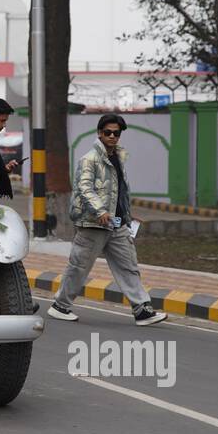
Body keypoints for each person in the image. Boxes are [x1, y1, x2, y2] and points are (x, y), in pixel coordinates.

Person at [47, 113, 167, 327]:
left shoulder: (119, 157)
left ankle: (142, 310)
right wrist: (100, 211)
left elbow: (119, 191)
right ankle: (60, 306)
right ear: (99, 133)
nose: (112, 136)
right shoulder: (89, 160)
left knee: (128, 266)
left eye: (116, 133)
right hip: (93, 223)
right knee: (79, 267)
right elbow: (84, 188)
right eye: (108, 132)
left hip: (117, 223)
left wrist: (127, 214)